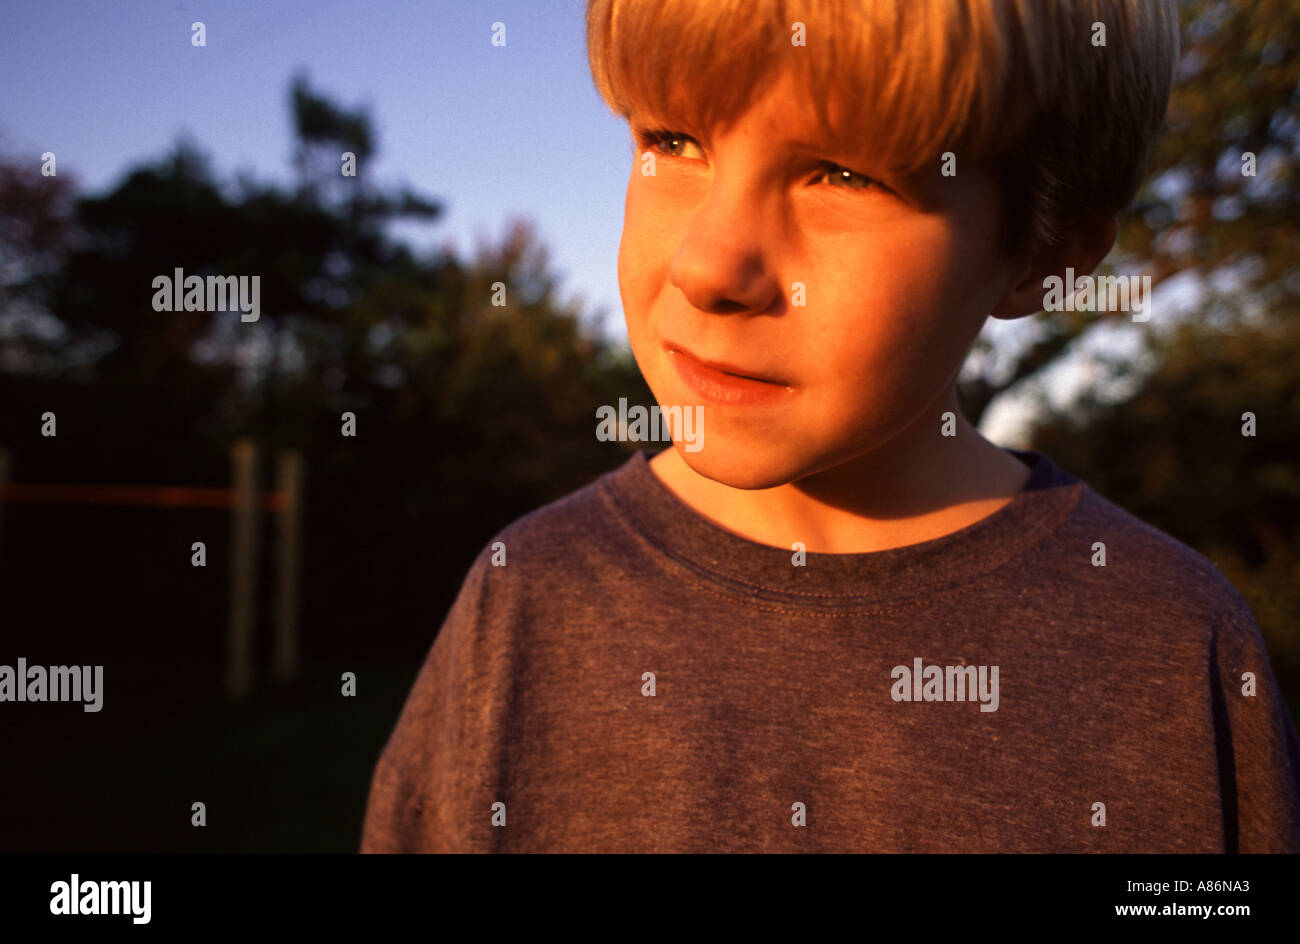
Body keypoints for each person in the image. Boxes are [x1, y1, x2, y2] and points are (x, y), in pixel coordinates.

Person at [361, 0, 1300, 852]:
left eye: (841, 172)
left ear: (1040, 253)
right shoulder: (526, 605)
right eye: (675, 138)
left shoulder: (1172, 652)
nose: (709, 263)